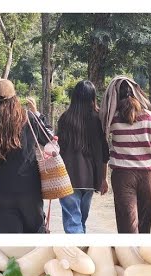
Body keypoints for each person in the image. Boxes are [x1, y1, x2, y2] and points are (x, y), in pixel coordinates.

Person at [0, 78, 53, 233]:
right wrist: (37, 115)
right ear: (14, 98)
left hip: (3, 189)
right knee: (35, 239)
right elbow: (48, 140)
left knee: (10, 242)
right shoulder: (28, 117)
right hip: (30, 188)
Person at [101, 76, 151, 233]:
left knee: (127, 221)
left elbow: (103, 142)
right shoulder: (150, 117)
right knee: (145, 219)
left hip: (123, 175)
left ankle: (128, 253)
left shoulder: (112, 119)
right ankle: (143, 252)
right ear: (136, 94)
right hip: (148, 175)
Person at [55, 80, 109, 233]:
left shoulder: (65, 118)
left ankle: (76, 254)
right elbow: (105, 152)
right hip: (90, 180)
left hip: (68, 178)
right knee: (80, 222)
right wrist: (103, 178)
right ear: (92, 97)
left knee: (74, 223)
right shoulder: (98, 119)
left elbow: (58, 149)